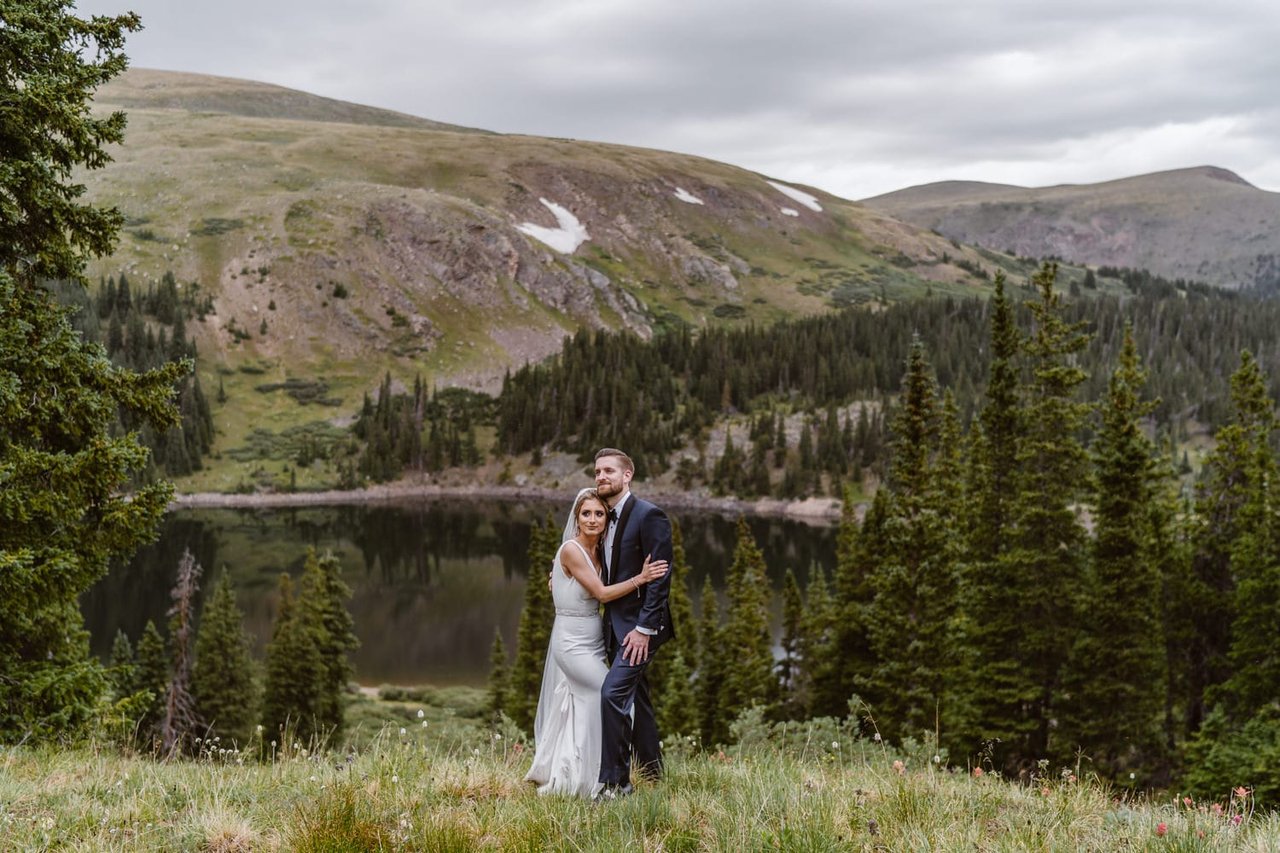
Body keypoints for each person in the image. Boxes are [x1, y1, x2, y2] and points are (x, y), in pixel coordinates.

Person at [524, 488, 668, 798]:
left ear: (606, 519)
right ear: (576, 517)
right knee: (612, 699)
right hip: (572, 643)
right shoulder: (572, 550)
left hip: (593, 641)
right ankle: (608, 781)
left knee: (591, 705)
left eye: (599, 514)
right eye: (586, 513)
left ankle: (582, 776)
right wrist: (641, 579)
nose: (592, 519)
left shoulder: (599, 549)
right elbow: (602, 594)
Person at [593, 447, 674, 798]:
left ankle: (616, 784)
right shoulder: (602, 517)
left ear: (627, 476)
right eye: (597, 472)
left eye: (609, 471)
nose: (601, 477)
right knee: (638, 699)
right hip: (615, 626)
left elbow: (660, 579)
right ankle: (652, 772)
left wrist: (644, 630)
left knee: (612, 695)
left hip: (641, 630)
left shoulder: (649, 515)